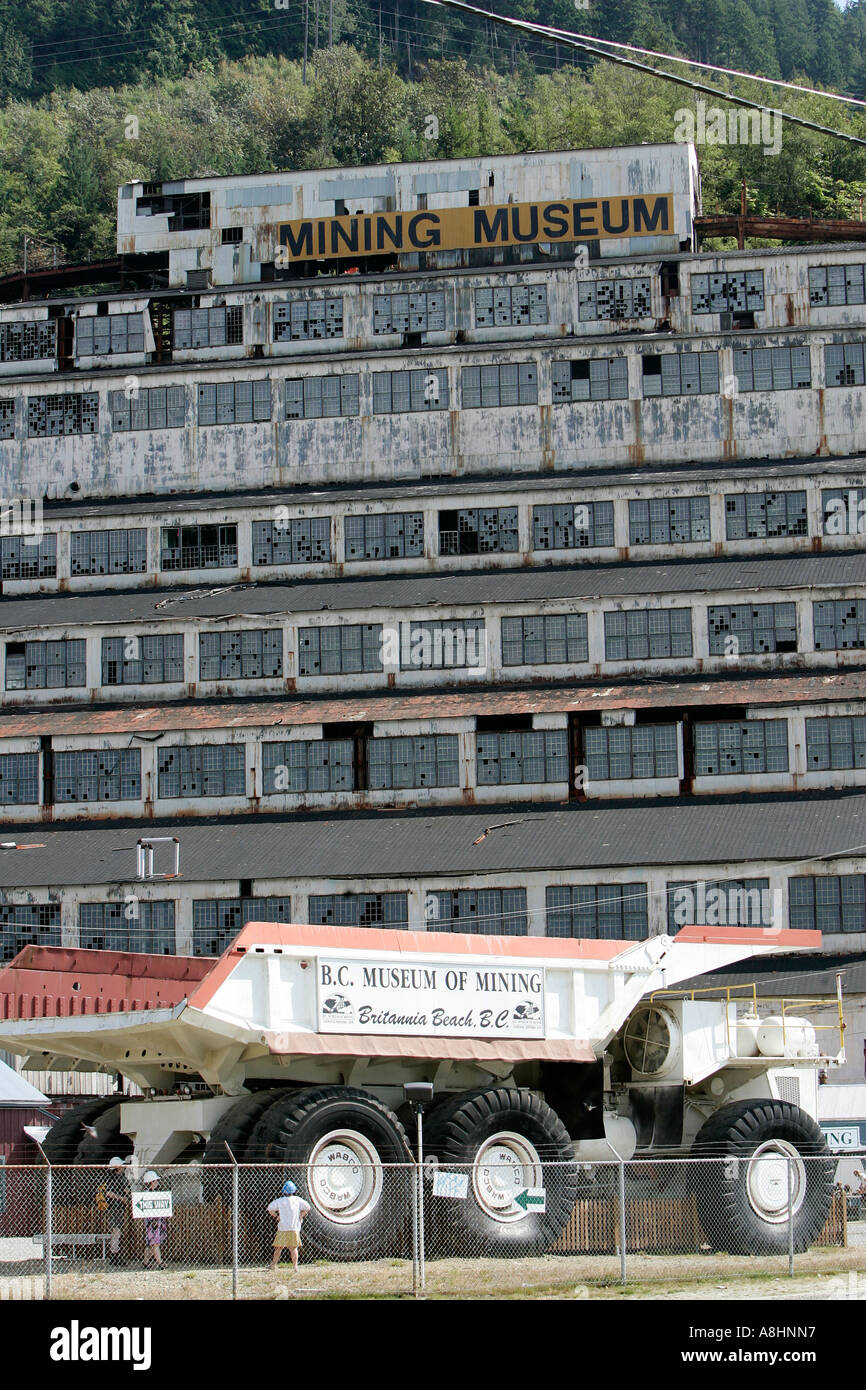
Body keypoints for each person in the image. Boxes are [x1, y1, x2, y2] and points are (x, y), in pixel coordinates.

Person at [267, 1180, 310, 1272]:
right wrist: (301, 1215)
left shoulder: (280, 1201)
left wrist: (276, 1216)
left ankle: (274, 1265)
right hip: (294, 1227)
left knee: (278, 1247)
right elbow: (307, 1207)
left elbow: (270, 1208)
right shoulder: (298, 1200)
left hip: (283, 1228)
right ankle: (295, 1267)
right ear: (294, 1191)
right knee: (293, 1248)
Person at [104, 1156, 129, 1264]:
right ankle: (114, 1254)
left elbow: (126, 1189)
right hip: (114, 1207)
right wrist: (121, 1198)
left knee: (117, 1232)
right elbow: (108, 1193)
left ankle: (115, 1253)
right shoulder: (111, 1178)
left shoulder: (121, 1178)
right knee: (116, 1231)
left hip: (120, 1207)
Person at [141, 1170, 168, 1267]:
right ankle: (160, 1263)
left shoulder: (156, 1193)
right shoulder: (146, 1194)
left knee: (151, 1244)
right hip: (152, 1222)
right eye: (155, 1181)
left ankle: (146, 1262)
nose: (157, 1183)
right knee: (155, 1243)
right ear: (150, 1182)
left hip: (157, 1220)